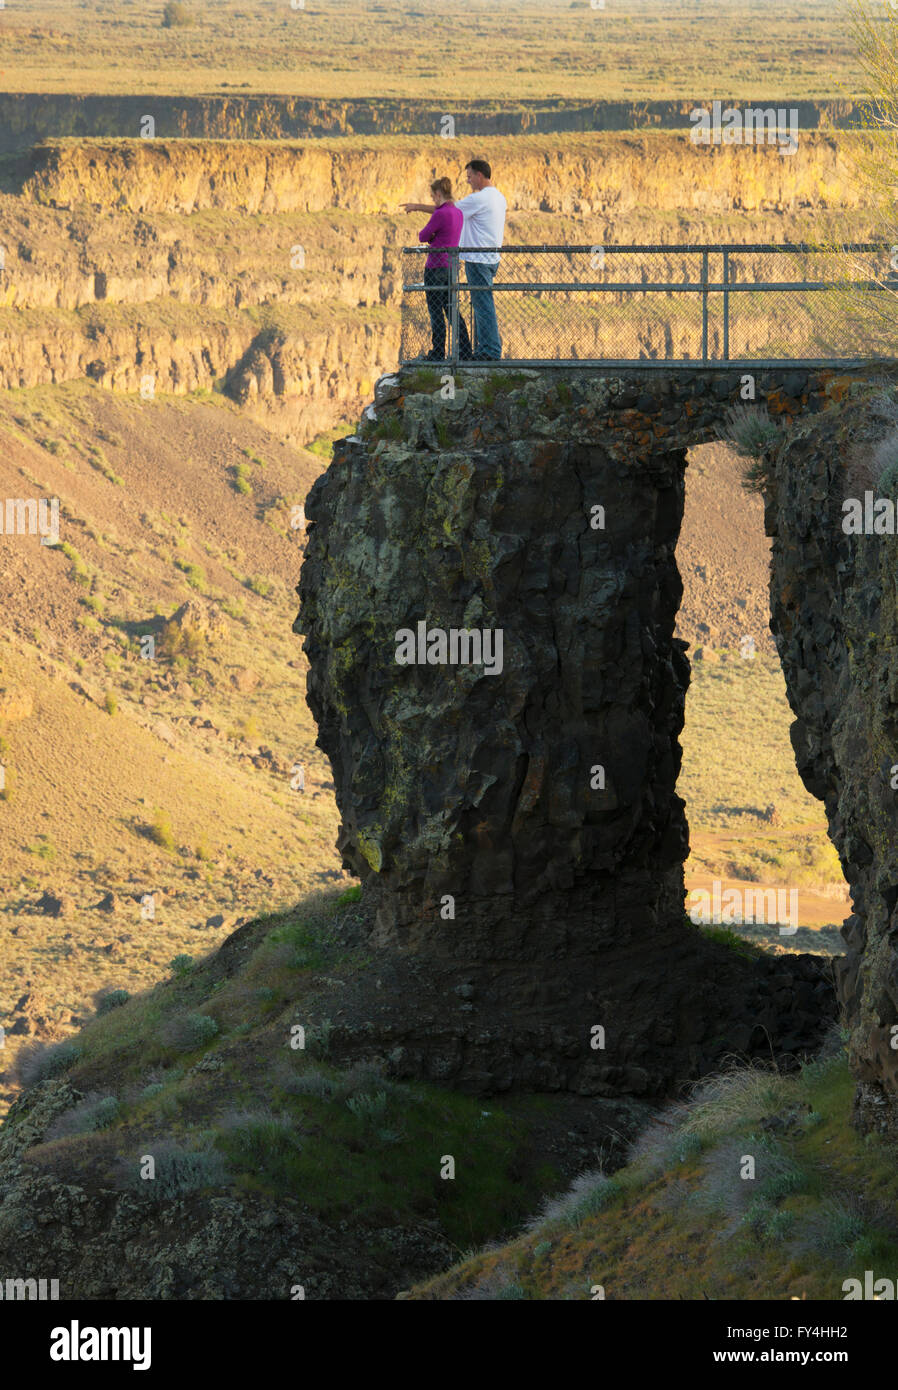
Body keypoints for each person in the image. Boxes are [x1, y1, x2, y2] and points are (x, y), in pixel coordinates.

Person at [401, 157, 507, 361]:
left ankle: (490, 352)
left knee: (482, 306)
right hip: (492, 257)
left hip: (478, 258)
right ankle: (481, 349)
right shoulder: (499, 197)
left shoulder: (479, 199)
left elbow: (447, 210)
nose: (468, 181)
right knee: (480, 304)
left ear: (479, 174)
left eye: (469, 176)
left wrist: (417, 206)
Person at [414, 178, 463, 361]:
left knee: (435, 310)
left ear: (438, 193)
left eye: (433, 196)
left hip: (435, 266)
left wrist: (432, 236)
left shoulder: (440, 214)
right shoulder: (457, 212)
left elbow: (423, 236)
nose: (432, 199)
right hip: (451, 266)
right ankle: (464, 346)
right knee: (451, 309)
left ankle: (438, 351)